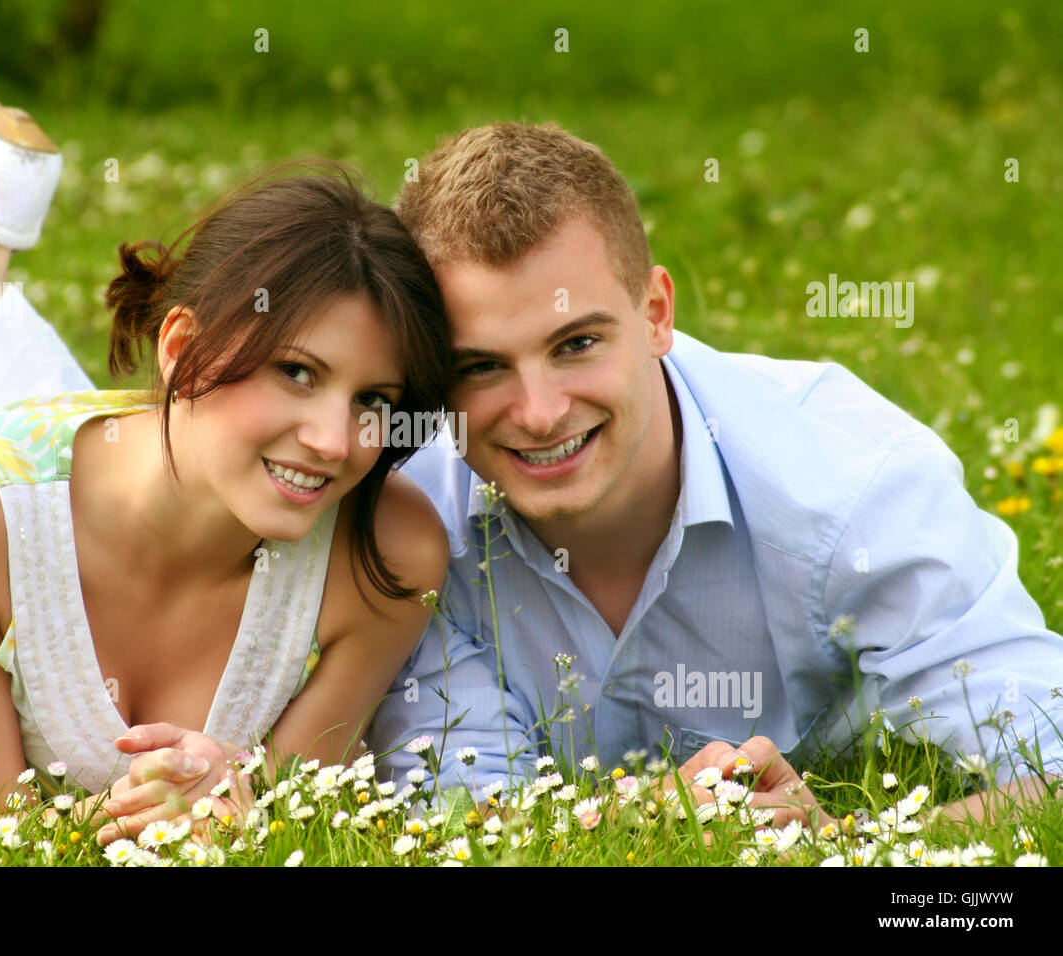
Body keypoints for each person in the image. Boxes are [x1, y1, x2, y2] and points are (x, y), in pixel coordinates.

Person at [0, 25, 450, 838]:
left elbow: (290, 809)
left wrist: (232, 807)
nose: (336, 442)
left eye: (374, 398)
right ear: (181, 346)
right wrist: (159, 822)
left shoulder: (392, 561)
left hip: (139, 460)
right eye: (296, 373)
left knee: (87, 428)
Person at [368, 122, 1063, 825]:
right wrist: (634, 818)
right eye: (481, 365)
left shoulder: (851, 484)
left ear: (656, 313)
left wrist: (847, 841)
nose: (541, 413)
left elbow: (1051, 762)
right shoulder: (407, 521)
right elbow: (456, 811)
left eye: (577, 343)